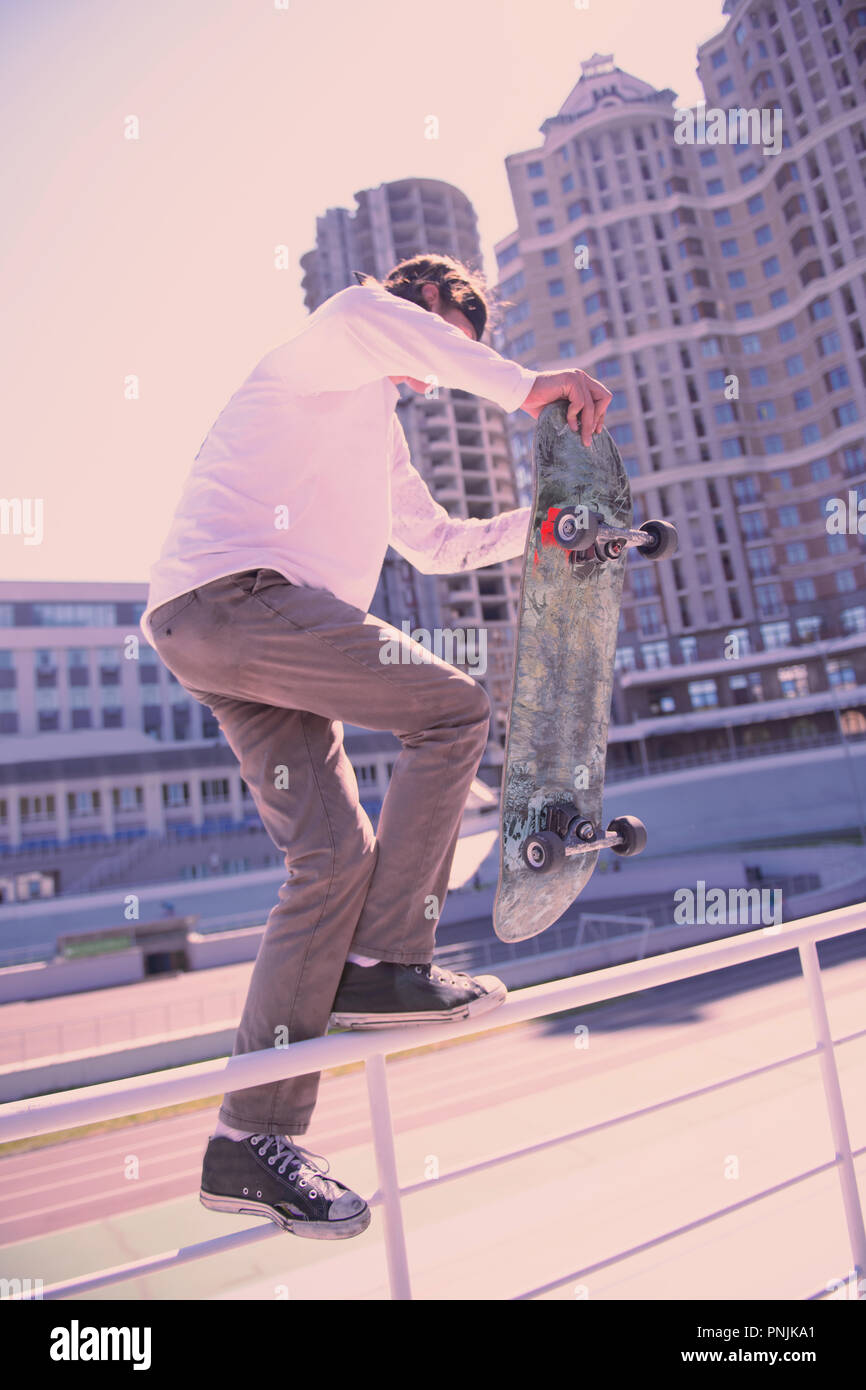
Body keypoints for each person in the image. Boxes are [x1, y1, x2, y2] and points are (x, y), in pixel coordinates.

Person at [141, 253, 611, 1239]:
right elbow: (383, 327)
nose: (445, 362)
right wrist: (533, 388)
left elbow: (435, 542)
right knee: (449, 710)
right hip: (237, 600)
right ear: (416, 301)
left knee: (332, 861)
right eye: (451, 332)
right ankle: (389, 957)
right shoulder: (340, 328)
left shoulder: (374, 432)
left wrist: (537, 528)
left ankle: (248, 1139)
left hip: (241, 640)